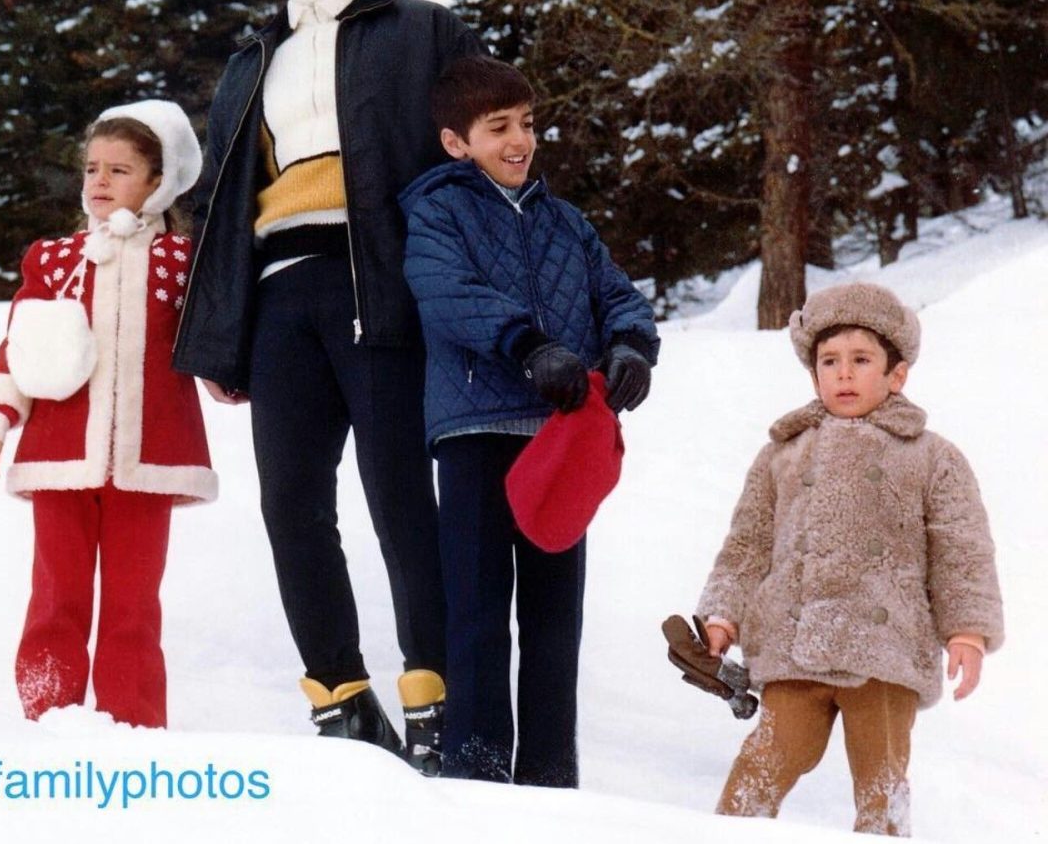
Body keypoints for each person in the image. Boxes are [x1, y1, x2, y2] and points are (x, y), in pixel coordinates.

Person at [170, 0, 481, 771]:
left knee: (399, 495)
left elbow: (484, 146)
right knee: (291, 504)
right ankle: (340, 701)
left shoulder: (425, 31)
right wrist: (223, 329)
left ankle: (435, 701)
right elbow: (224, 204)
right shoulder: (250, 61)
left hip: (379, 283)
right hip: (280, 296)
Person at [398, 54, 660, 787]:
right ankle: (476, 769)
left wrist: (631, 346)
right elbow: (447, 293)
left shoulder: (565, 222)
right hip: (477, 431)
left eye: (528, 123)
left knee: (555, 617)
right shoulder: (437, 212)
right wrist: (527, 344)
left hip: (558, 438)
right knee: (478, 609)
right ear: (457, 142)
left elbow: (619, 295)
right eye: (499, 127)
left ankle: (550, 776)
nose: (520, 141)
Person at [696, 282, 1003, 835]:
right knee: (762, 763)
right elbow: (747, 544)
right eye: (829, 361)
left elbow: (962, 549)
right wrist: (722, 615)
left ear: (896, 374)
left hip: (885, 650)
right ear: (813, 372)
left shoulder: (931, 456)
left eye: (861, 360)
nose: (843, 374)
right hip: (794, 647)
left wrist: (968, 631)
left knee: (882, 782)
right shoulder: (783, 453)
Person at [0, 100, 217, 728]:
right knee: (56, 596)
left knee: (134, 604)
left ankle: (133, 724)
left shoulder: (183, 262)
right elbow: (18, 349)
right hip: (59, 460)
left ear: (158, 182)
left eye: (119, 170)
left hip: (149, 461)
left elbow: (216, 342)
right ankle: (48, 715)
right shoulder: (53, 260)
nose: (100, 181)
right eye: (92, 168)